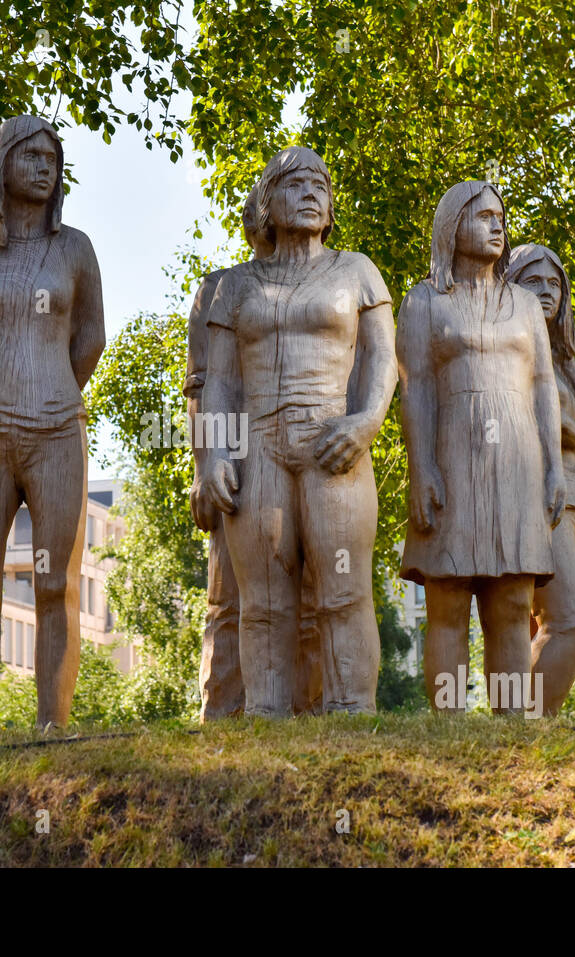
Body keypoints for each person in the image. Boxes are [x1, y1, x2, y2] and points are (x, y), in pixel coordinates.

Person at [201, 146, 397, 717]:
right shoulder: (234, 287)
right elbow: (220, 383)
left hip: (333, 441)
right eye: (294, 183)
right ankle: (266, 720)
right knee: (263, 602)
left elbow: (384, 361)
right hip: (257, 448)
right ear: (268, 203)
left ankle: (352, 715)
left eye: (320, 183)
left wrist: (364, 424)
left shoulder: (358, 272)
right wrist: (213, 454)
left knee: (343, 592)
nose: (311, 192)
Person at [0, 115, 105, 729]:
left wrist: (51, 390)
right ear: (1, 164)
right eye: (31, 155)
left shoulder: (76, 249)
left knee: (54, 584)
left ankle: (51, 726)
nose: (45, 166)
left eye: (53, 158)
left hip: (57, 430)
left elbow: (90, 335)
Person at [397, 181, 563, 715]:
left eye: (501, 217)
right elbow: (415, 386)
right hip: (452, 453)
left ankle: (511, 724)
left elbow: (542, 385)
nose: (497, 226)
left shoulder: (523, 304)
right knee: (447, 594)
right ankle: (449, 725)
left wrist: (555, 468)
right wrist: (421, 466)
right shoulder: (424, 300)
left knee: (513, 600)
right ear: (453, 225)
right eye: (483, 216)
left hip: (519, 456)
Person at [186, 183, 323, 720]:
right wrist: (207, 465)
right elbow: (201, 386)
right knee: (232, 598)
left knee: (314, 592)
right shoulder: (221, 288)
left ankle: (312, 718)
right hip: (237, 459)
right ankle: (224, 718)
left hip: (310, 458)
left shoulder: (330, 284)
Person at [506, 243, 575, 714]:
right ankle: (527, 727)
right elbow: (517, 409)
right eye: (533, 282)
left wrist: (564, 350)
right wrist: (571, 431)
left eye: (555, 285)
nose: (546, 292)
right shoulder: (509, 347)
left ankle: (523, 740)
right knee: (572, 624)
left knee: (532, 624)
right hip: (541, 496)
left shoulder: (557, 360)